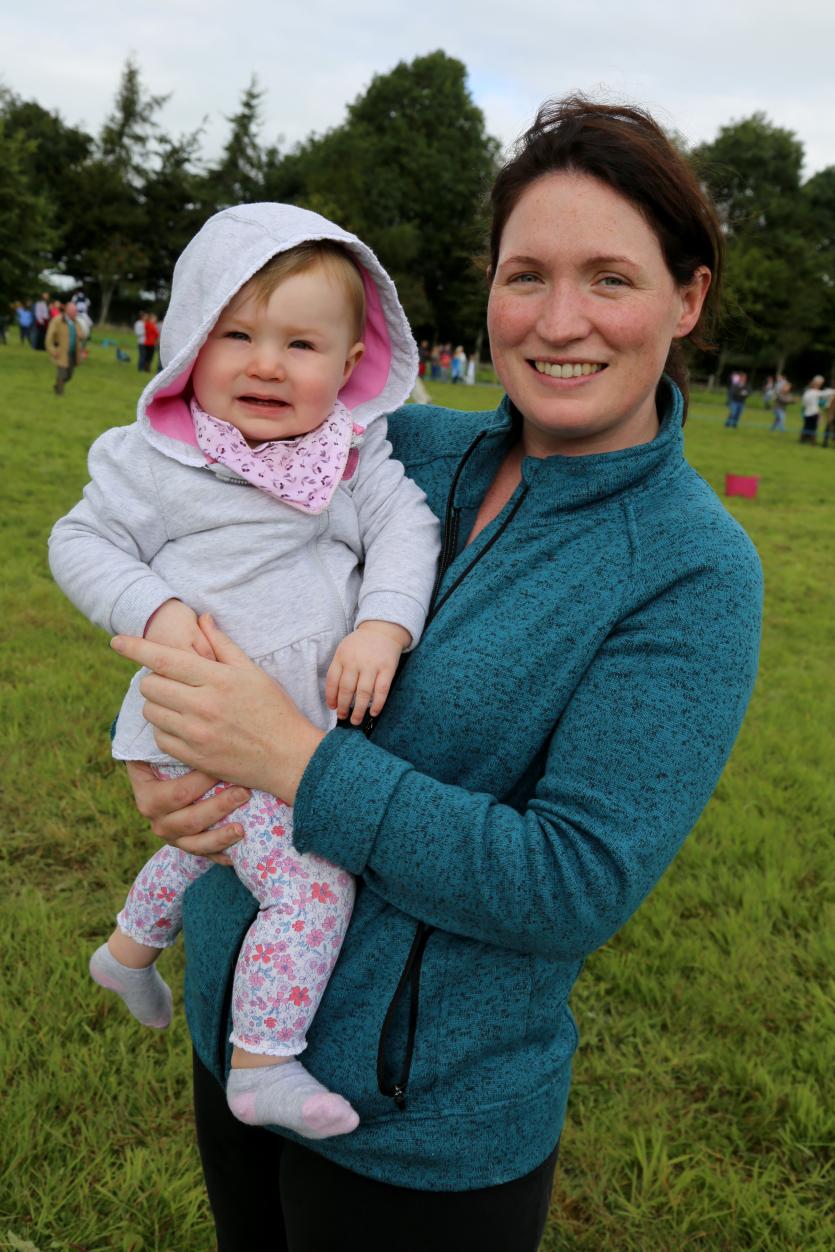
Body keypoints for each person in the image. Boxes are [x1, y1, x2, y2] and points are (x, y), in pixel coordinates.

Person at [109, 98, 762, 1252]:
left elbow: (569, 884)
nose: (559, 320)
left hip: (422, 1130)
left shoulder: (691, 570)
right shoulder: (390, 448)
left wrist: (296, 763)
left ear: (687, 298)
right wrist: (168, 758)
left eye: (610, 278)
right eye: (526, 275)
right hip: (234, 1030)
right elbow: (187, 539)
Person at [49, 205, 440, 1140]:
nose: (267, 364)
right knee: (310, 883)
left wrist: (383, 625)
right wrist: (156, 610)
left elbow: (406, 528)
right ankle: (263, 1062)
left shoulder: (352, 453)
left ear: (349, 364)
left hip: (291, 721)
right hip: (200, 714)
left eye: (301, 344)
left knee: (208, 840)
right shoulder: (158, 457)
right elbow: (78, 540)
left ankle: (126, 952)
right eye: (237, 335)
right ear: (191, 340)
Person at [45, 301, 79, 395]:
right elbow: (49, 338)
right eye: (74, 311)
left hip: (72, 352)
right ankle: (59, 393)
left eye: (76, 311)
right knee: (62, 372)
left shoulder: (75, 322)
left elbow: (80, 336)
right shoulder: (57, 321)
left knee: (69, 375)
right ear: (68, 311)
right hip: (61, 352)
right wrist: (52, 350)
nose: (76, 313)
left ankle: (58, 385)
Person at [799, 374, 831, 444]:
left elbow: (804, 403)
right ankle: (812, 441)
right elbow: (825, 393)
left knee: (806, 426)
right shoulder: (814, 392)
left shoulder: (808, 392)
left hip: (808, 412)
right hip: (813, 412)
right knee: (812, 427)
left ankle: (804, 439)